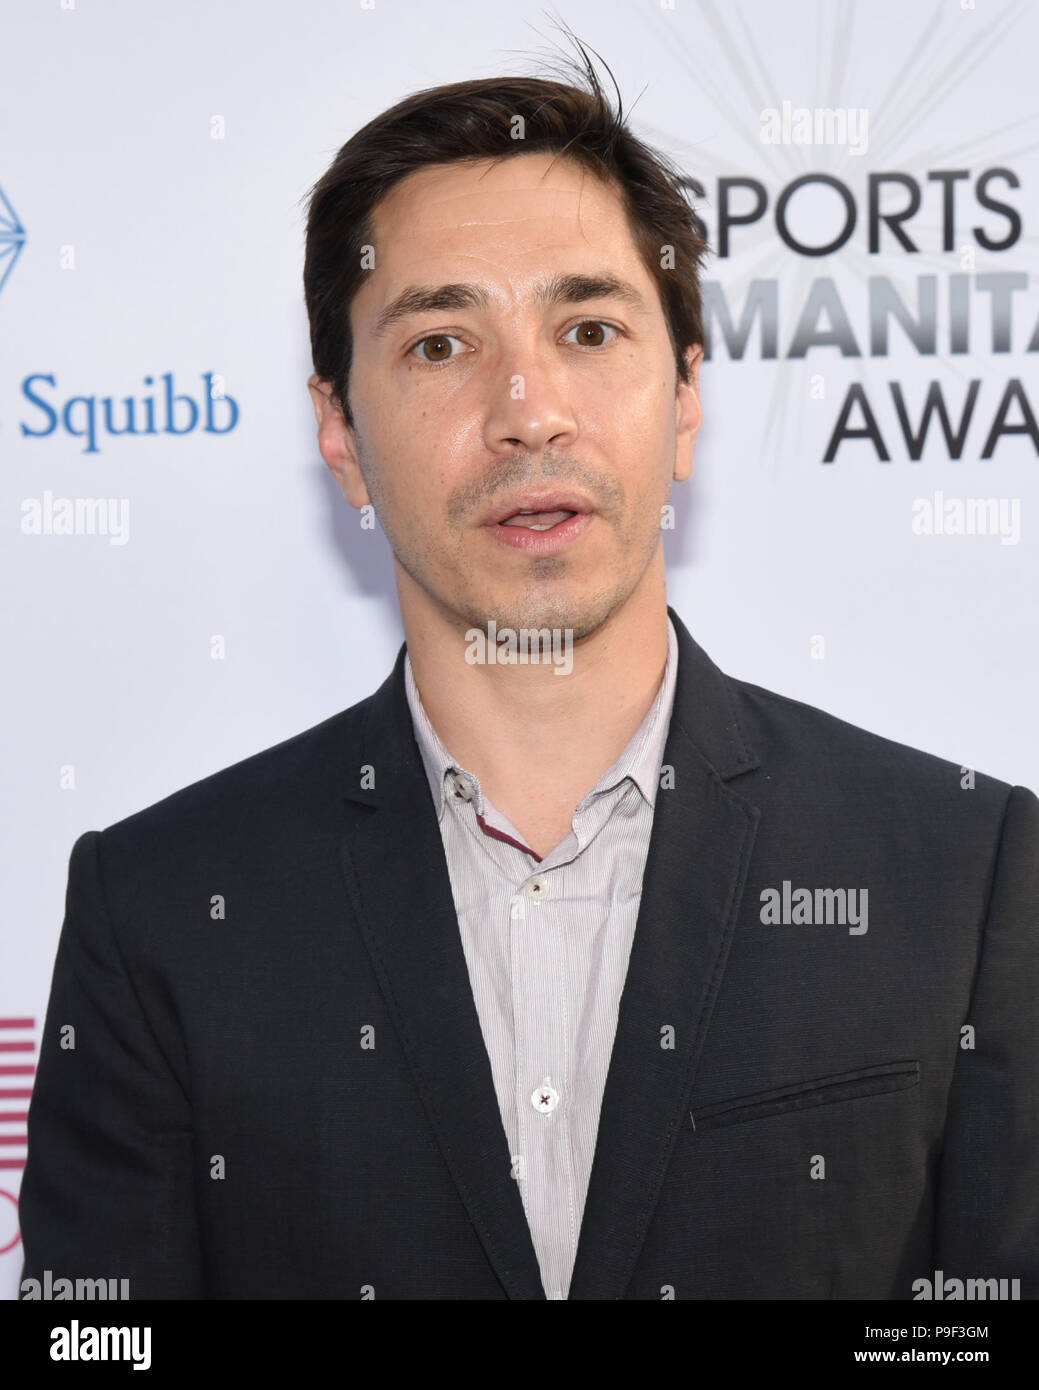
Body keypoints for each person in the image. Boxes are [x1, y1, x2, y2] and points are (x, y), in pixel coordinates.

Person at [19, 44, 1039, 1301]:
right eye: (441, 344)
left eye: (590, 329)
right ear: (339, 434)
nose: (528, 408)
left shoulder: (962, 868)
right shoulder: (163, 906)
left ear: (682, 404)